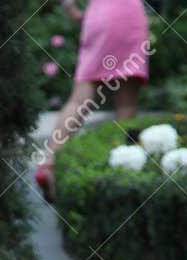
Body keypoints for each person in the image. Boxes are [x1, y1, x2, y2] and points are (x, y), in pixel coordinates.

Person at [35, 0, 151, 197]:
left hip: (98, 17)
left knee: (78, 101)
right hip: (128, 16)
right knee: (126, 104)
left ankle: (49, 162)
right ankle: (119, 171)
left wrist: (71, 7)